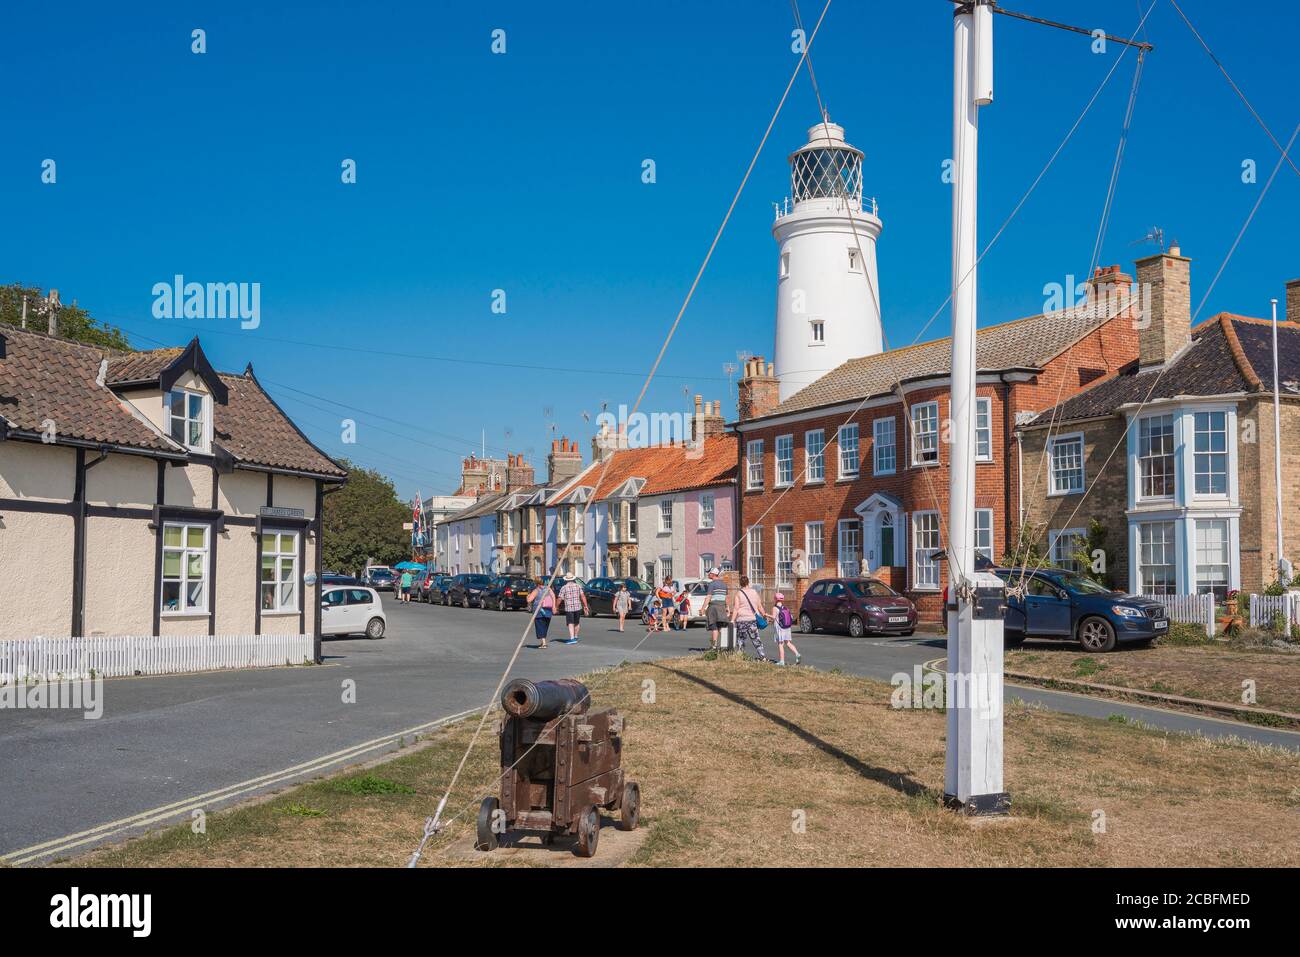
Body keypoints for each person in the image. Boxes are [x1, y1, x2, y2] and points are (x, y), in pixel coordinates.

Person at [727, 574, 768, 661]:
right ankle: (763, 657)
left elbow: (736, 608)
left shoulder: (738, 594)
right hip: (752, 619)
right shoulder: (754, 592)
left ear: (740, 583)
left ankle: (740, 657)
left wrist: (732, 620)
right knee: (756, 639)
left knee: (741, 640)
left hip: (741, 620)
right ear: (748, 582)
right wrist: (764, 615)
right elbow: (760, 606)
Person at [703, 567, 729, 651]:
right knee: (721, 627)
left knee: (714, 627)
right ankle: (724, 646)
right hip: (722, 607)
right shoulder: (724, 584)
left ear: (713, 574)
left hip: (714, 607)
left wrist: (703, 608)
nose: (708, 574)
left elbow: (709, 597)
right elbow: (726, 597)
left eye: (709, 573)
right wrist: (727, 608)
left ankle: (714, 647)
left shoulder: (712, 584)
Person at [558, 573, 589, 643]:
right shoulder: (578, 586)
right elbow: (583, 596)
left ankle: (572, 638)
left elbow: (560, 598)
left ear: (566, 580)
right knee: (577, 622)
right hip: (578, 607)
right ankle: (576, 636)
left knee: (570, 623)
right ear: (573, 579)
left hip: (569, 608)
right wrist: (585, 606)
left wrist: (556, 606)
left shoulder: (564, 587)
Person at [772, 592, 801, 666]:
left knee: (780, 644)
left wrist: (766, 615)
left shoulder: (775, 608)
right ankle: (797, 654)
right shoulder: (785, 608)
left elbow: (773, 617)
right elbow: (790, 617)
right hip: (787, 628)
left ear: (775, 599)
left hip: (780, 628)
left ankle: (782, 661)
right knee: (788, 643)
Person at [526, 580, 555, 649]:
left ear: (536, 583)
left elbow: (529, 600)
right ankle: (543, 641)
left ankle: (544, 642)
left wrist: (527, 596)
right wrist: (554, 606)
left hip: (538, 610)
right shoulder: (548, 588)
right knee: (545, 625)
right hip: (548, 609)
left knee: (540, 626)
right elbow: (553, 597)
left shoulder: (536, 590)